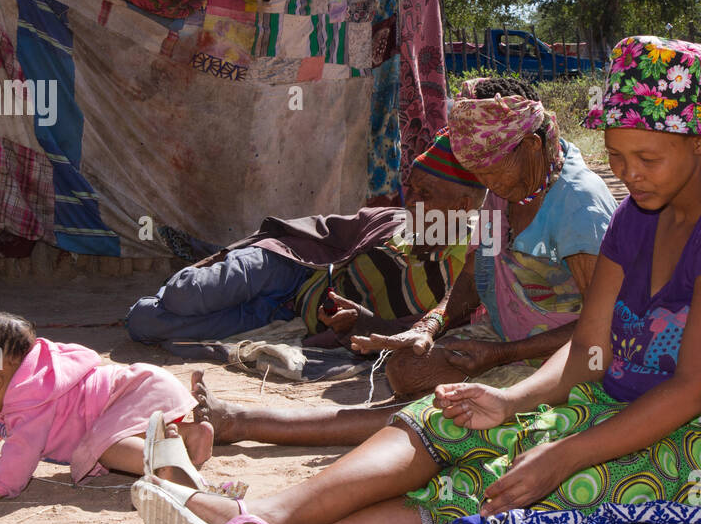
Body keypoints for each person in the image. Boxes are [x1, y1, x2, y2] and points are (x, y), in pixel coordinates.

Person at [127, 36, 701, 524]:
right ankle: (268, 518)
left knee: (518, 490)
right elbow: (591, 347)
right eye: (620, 157)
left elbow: (695, 388)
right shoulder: (634, 219)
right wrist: (512, 403)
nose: (633, 174)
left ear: (700, 142)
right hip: (619, 408)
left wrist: (563, 453)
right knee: (445, 417)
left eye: (648, 157)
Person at [190, 76, 619, 448]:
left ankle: (244, 422)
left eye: (488, 172)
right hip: (504, 339)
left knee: (437, 412)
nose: (485, 183)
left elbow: (606, 328)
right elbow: (473, 274)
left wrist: (501, 354)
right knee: (407, 369)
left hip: (565, 357)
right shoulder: (510, 187)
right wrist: (428, 326)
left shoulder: (579, 207)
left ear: (529, 146)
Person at [125, 135, 485, 351]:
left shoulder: (467, 267)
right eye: (414, 189)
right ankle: (209, 273)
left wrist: (363, 323)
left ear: (463, 206)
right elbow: (320, 232)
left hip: (290, 314)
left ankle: (202, 291)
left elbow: (424, 329)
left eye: (426, 193)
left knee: (143, 321)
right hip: (290, 269)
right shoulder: (396, 223)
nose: (413, 200)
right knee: (183, 295)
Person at [0, 312, 213, 504]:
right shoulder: (6, 402)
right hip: (141, 394)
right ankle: (189, 435)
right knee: (116, 438)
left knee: (108, 450)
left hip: (134, 394)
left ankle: (169, 468)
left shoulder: (30, 400)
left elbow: (22, 450)